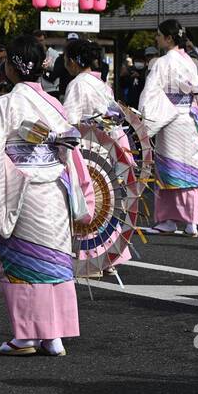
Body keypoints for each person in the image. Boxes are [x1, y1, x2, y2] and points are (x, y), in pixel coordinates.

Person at [0, 36, 95, 356]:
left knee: (23, 262)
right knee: (53, 261)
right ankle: (54, 338)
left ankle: (26, 337)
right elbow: (70, 153)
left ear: (11, 67)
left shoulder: (6, 103)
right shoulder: (55, 104)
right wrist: (81, 192)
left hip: (22, 192)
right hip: (55, 190)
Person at [62, 38, 131, 281]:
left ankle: (91, 261)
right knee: (106, 204)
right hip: (106, 148)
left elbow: (69, 121)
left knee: (88, 203)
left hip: (86, 150)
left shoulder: (77, 85)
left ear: (72, 61)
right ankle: (108, 257)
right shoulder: (101, 83)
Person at [140, 20, 198, 236]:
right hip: (189, 119)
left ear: (169, 38)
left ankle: (167, 220)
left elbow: (151, 92)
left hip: (169, 119)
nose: (156, 38)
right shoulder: (190, 61)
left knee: (168, 169)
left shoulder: (161, 63)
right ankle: (192, 222)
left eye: (159, 35)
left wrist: (145, 116)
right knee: (190, 167)